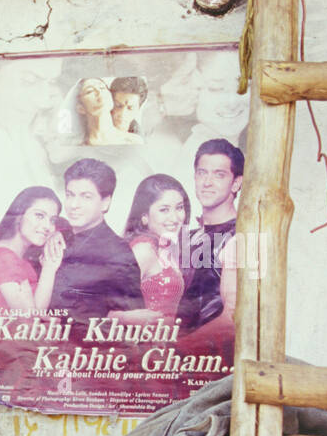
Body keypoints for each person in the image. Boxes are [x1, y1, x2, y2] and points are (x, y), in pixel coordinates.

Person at [49, 159, 158, 341]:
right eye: (70, 194)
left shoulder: (118, 253)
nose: (74, 205)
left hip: (87, 357)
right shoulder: (58, 236)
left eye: (86, 197)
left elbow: (132, 326)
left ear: (105, 203)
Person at [0, 186, 66, 328]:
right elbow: (30, 326)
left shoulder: (20, 261)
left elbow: (37, 312)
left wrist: (49, 268)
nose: (48, 226)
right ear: (18, 215)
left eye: (53, 220)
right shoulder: (4, 258)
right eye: (39, 215)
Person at [178, 138, 243, 332]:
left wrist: (178, 351)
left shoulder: (240, 237)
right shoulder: (188, 236)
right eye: (202, 173)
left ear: (236, 183)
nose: (207, 182)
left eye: (219, 175)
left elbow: (232, 318)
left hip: (213, 357)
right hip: (175, 352)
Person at [124, 174, 190, 320]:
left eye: (179, 208)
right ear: (144, 216)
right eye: (164, 210)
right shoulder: (143, 250)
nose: (174, 218)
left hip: (165, 340)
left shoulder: (163, 247)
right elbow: (102, 306)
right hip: (145, 341)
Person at [75, 77, 142, 146]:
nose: (99, 92)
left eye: (102, 88)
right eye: (90, 91)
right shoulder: (79, 145)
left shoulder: (133, 141)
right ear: (80, 108)